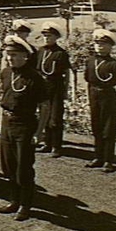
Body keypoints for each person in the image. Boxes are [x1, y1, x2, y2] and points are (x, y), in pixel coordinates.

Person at [0, 35, 48, 222]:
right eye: (8, 54)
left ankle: (25, 205)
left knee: (23, 168)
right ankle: (14, 200)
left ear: (25, 56)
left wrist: (39, 131)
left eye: (15, 54)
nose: (10, 58)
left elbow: (44, 106)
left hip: (25, 125)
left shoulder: (35, 78)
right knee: (8, 165)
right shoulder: (5, 73)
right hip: (7, 124)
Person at [84, 29, 116, 173]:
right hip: (95, 96)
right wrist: (89, 99)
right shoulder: (90, 61)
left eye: (103, 44)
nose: (99, 46)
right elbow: (88, 81)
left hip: (109, 98)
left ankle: (108, 160)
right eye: (97, 43)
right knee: (97, 127)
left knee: (108, 130)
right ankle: (98, 157)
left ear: (110, 46)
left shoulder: (114, 64)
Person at [35, 21, 71, 158]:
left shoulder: (61, 53)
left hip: (56, 87)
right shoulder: (40, 51)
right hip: (43, 88)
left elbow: (66, 73)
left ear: (56, 37)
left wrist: (66, 90)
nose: (47, 38)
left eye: (50, 36)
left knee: (55, 118)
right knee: (45, 115)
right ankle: (47, 143)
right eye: (45, 36)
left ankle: (56, 146)